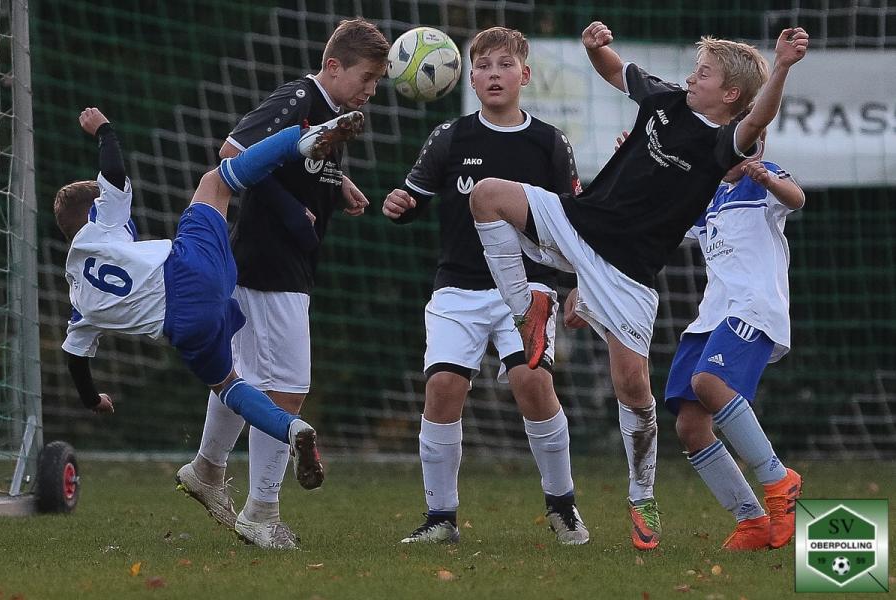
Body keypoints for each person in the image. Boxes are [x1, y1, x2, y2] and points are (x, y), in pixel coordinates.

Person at [468, 21, 809, 550]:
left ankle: (641, 494)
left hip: (629, 274)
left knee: (633, 387)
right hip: (581, 221)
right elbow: (616, 71)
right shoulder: (666, 101)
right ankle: (528, 304)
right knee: (487, 195)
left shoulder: (723, 147)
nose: (692, 78)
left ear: (731, 94)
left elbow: (760, 117)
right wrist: (595, 48)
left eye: (704, 74)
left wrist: (782, 64)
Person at [57, 107, 364, 512]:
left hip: (187, 327)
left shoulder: (79, 302)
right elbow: (113, 173)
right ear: (93, 213)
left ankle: (292, 428)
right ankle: (297, 140)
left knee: (231, 387)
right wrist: (104, 131)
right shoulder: (101, 224)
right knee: (216, 182)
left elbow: (74, 356)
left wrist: (92, 398)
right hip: (192, 267)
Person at [175, 18, 389, 549]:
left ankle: (207, 469)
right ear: (333, 66)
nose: (372, 89)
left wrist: (338, 184)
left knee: (240, 372)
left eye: (379, 81)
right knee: (287, 386)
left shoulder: (332, 112)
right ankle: (261, 511)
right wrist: (292, 211)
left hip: (270, 260)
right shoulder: (299, 97)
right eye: (367, 76)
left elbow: (296, 162)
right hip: (271, 260)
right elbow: (233, 153)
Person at [382, 27, 588, 546]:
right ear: (468, 76)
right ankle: (440, 520)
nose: (493, 75)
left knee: (532, 385)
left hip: (527, 289)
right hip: (458, 287)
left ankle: (563, 508)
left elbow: (573, 221)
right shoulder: (450, 136)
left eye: (504, 65)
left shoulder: (548, 142)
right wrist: (400, 206)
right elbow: (413, 197)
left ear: (525, 74)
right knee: (442, 389)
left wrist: (578, 284)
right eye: (484, 66)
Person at [665, 136, 805, 550]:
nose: (737, 154)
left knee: (709, 381)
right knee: (690, 426)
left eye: (747, 146)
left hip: (751, 309)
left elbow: (796, 198)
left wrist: (769, 179)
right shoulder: (708, 199)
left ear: (758, 147)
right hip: (711, 316)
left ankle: (779, 479)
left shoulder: (759, 183)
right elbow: (661, 219)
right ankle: (752, 520)